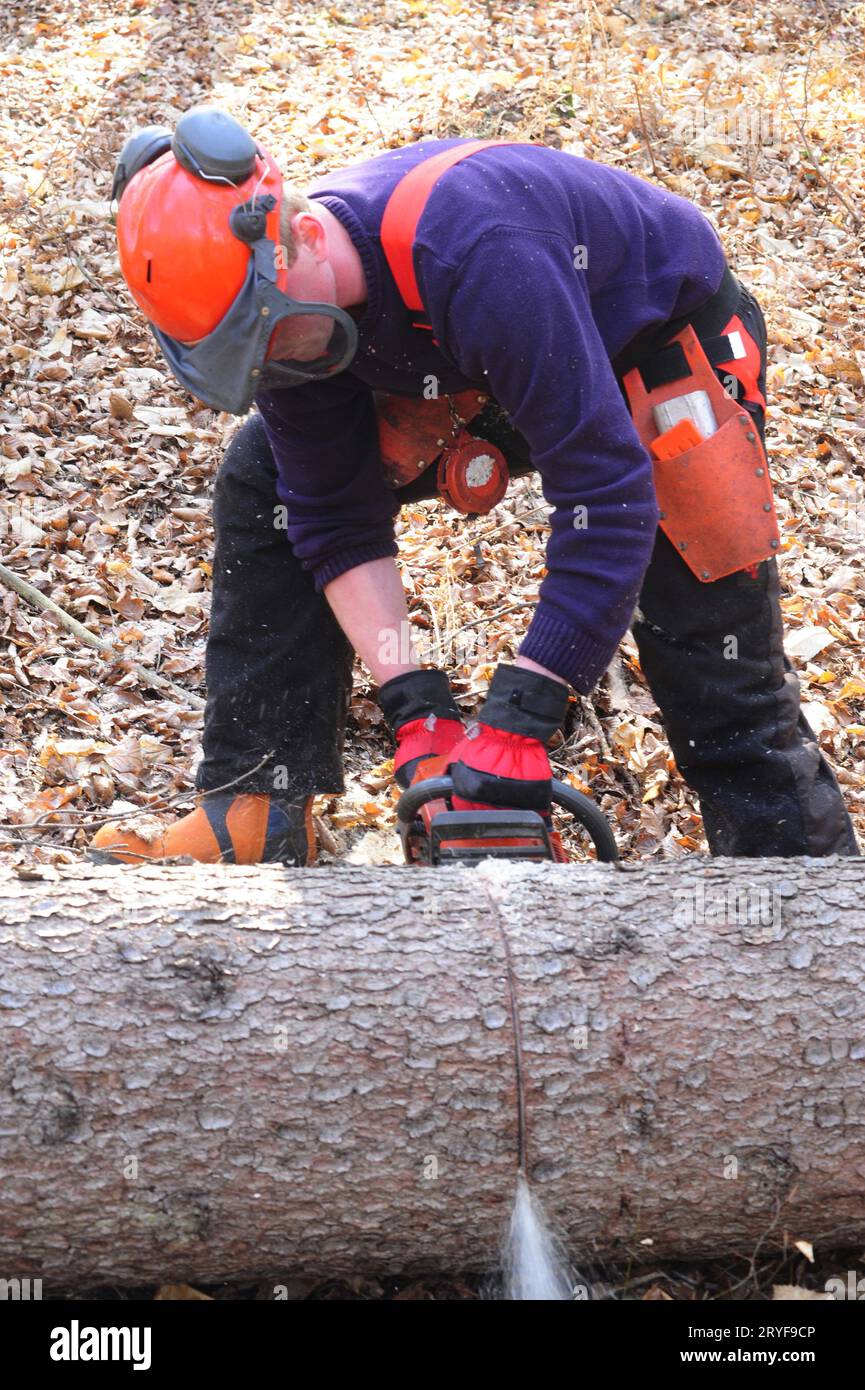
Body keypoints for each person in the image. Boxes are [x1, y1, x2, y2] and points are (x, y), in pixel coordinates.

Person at [90, 108, 859, 865]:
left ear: (308, 239)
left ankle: (795, 897)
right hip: (458, 353)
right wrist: (413, 706)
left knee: (711, 643)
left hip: (655, 337)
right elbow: (330, 511)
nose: (278, 365)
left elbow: (606, 491)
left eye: (281, 339)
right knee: (268, 476)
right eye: (255, 353)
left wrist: (521, 712)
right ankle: (253, 802)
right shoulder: (283, 317)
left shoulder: (480, 251)